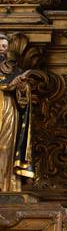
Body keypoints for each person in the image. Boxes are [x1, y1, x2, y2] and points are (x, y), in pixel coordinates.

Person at [0, 32, 34, 192]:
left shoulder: (13, 70)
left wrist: (21, 87)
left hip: (7, 108)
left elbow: (23, 98)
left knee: (6, 146)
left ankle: (6, 185)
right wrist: (8, 85)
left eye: (4, 46)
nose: (1, 49)